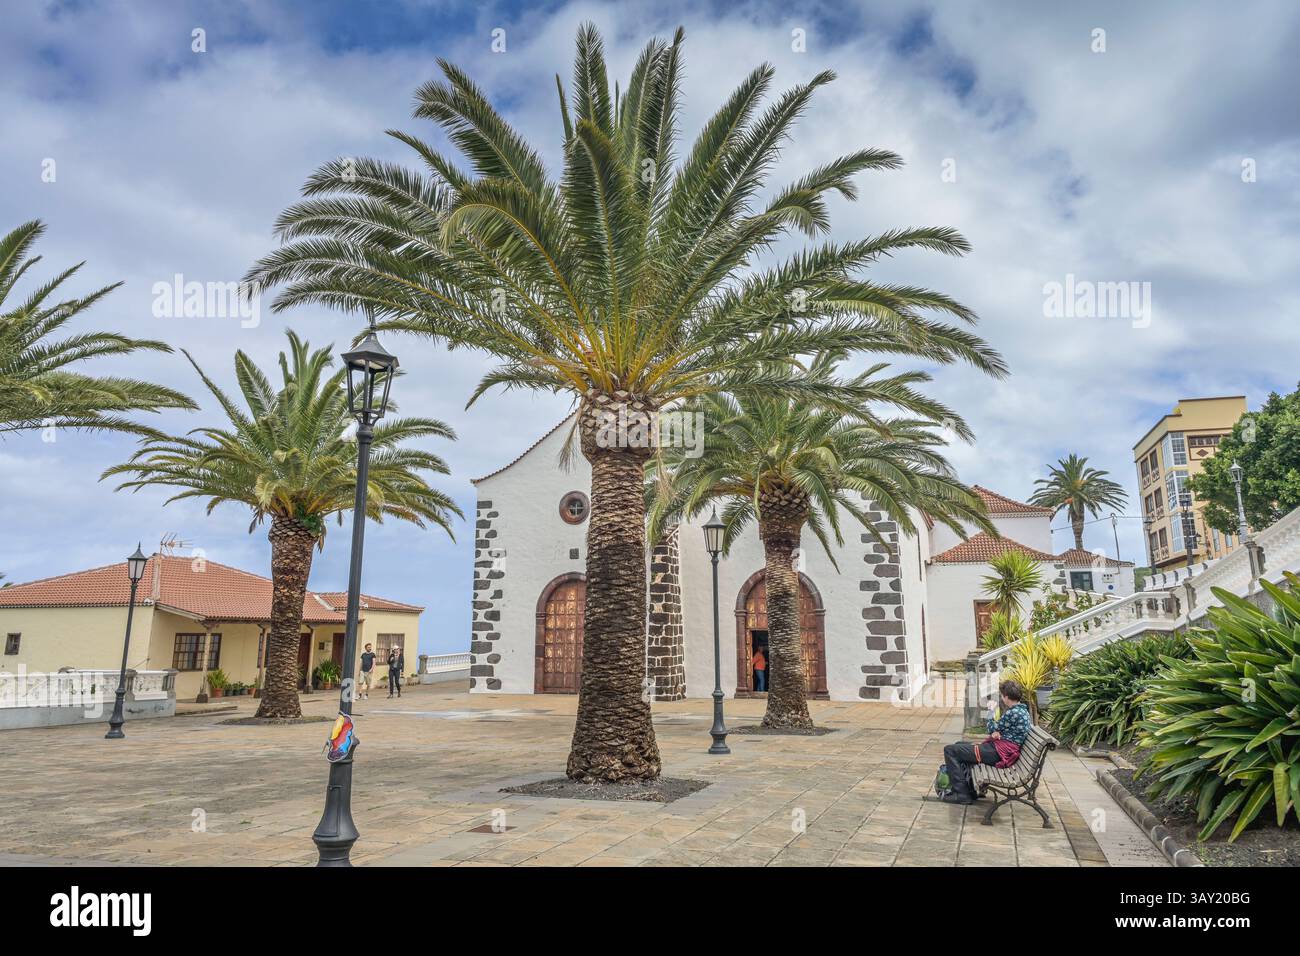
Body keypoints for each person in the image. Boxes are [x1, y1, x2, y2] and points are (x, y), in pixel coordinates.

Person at [938, 679, 1032, 805]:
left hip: (998, 752)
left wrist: (990, 712)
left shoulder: (1013, 712)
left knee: (949, 750)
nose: (1002, 698)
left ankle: (961, 794)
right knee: (959, 745)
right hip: (1002, 748)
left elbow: (991, 728)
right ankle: (969, 790)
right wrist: (998, 732)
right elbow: (997, 730)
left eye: (1002, 696)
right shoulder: (1022, 710)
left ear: (1006, 697)